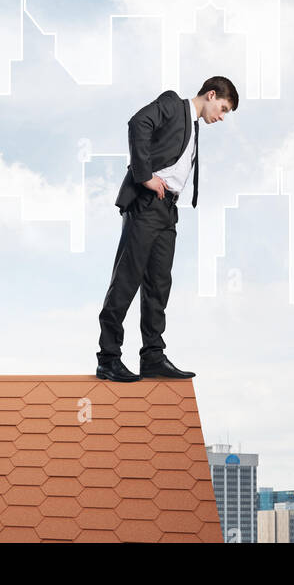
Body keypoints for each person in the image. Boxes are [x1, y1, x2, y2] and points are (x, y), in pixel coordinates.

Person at [95, 76, 238, 382]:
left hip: (167, 210)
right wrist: (144, 174)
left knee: (159, 284)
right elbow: (138, 124)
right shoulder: (174, 104)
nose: (222, 116)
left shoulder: (194, 126)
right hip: (146, 203)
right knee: (126, 279)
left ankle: (153, 357)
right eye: (223, 108)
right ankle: (108, 358)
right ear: (211, 95)